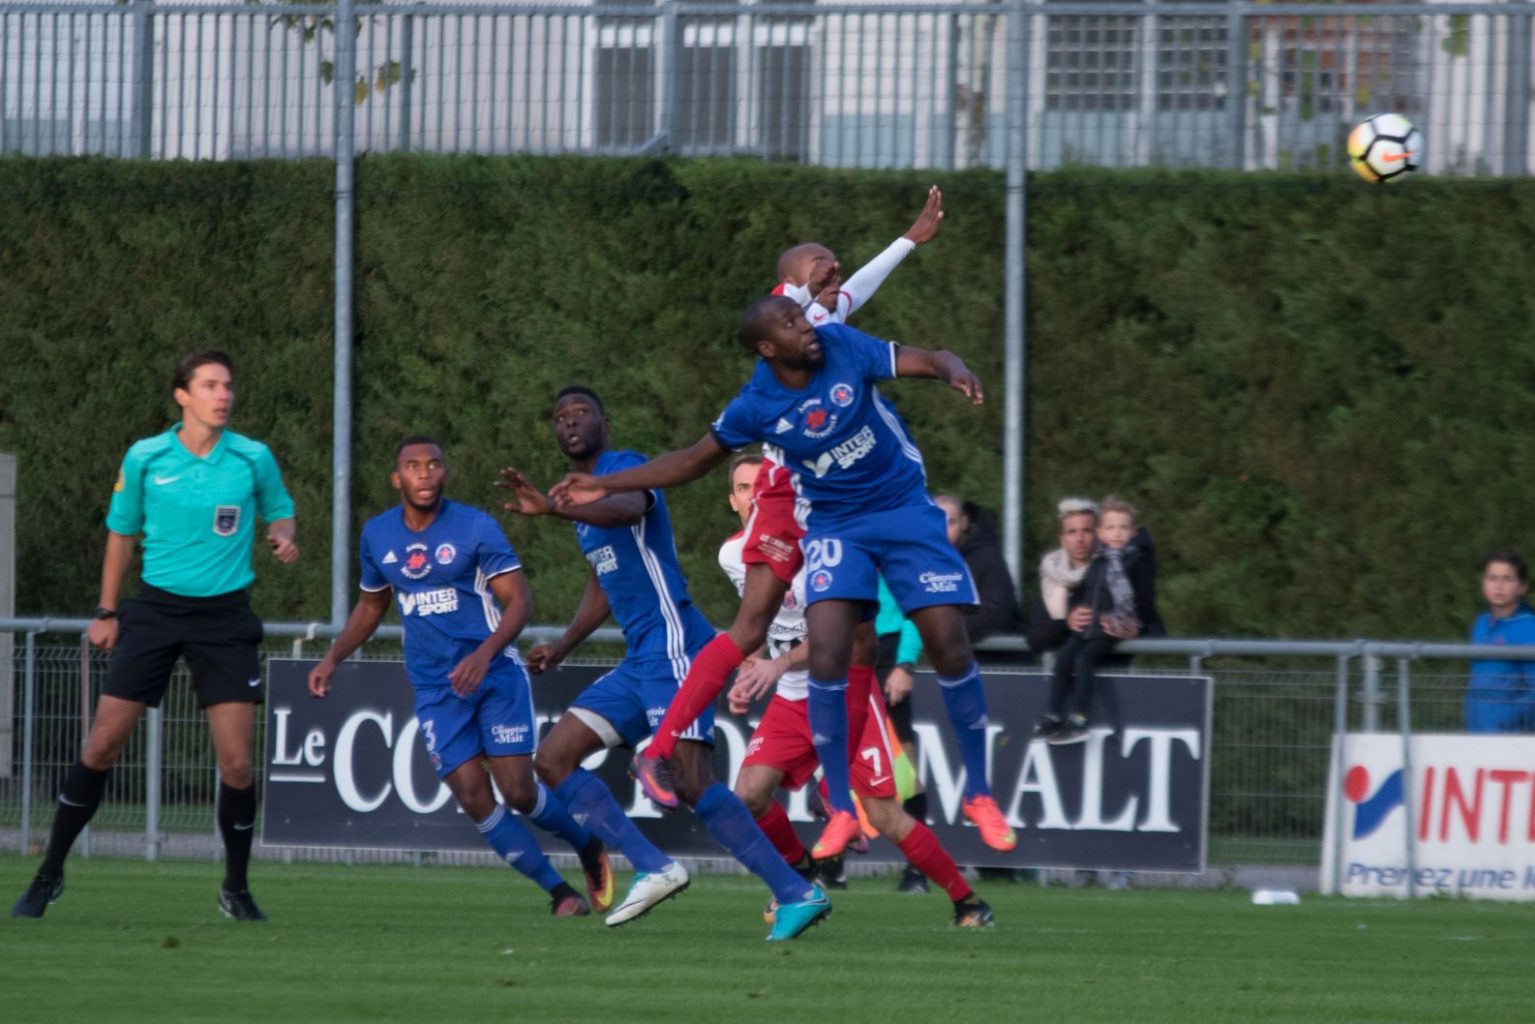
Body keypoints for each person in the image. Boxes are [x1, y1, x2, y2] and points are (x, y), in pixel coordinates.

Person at [550, 297, 1017, 867]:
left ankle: (976, 795)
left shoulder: (840, 341)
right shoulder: (756, 403)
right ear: (768, 347)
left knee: (944, 638)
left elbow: (920, 352)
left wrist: (952, 366)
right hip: (832, 520)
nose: (807, 324)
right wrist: (601, 487)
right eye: (793, 321)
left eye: (805, 312)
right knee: (817, 642)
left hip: (898, 506)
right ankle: (834, 805)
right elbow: (693, 459)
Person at [628, 189, 978, 863]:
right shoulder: (792, 318)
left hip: (832, 497)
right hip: (797, 493)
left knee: (855, 641)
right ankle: (666, 748)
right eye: (821, 263)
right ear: (789, 282)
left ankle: (833, 792)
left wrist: (909, 239)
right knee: (758, 627)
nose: (834, 268)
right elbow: (701, 454)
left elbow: (858, 296)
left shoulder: (816, 320)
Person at [497, 386, 829, 941]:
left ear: (605, 421)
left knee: (693, 778)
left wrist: (560, 505)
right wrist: (565, 645)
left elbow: (631, 505)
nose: (571, 422)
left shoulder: (623, 472)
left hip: (675, 642)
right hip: (641, 656)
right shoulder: (582, 498)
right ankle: (654, 866)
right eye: (560, 416)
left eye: (582, 413)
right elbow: (605, 580)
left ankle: (796, 890)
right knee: (553, 759)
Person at [12, 351, 299, 921]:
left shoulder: (252, 457)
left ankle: (236, 889)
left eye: (228, 386)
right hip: (156, 613)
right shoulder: (146, 456)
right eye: (210, 385)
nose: (224, 395)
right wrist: (106, 611)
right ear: (182, 396)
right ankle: (48, 876)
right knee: (99, 746)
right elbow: (120, 536)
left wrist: (283, 536)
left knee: (238, 765)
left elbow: (281, 511)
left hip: (225, 618)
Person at [306, 436, 611, 917]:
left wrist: (485, 654)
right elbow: (371, 604)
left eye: (433, 465)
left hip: (495, 678)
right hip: (435, 688)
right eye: (412, 466)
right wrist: (332, 658)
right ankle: (560, 892)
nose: (424, 474)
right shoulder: (378, 535)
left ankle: (587, 844)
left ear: (444, 472)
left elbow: (521, 601)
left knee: (518, 791)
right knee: (473, 796)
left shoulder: (475, 528)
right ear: (397, 478)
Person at [719, 455, 994, 927]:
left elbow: (836, 638)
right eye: (743, 488)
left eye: (761, 485)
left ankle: (966, 900)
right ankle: (800, 882)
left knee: (884, 814)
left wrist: (777, 663)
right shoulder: (732, 555)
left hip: (841, 691)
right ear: (733, 501)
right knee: (745, 796)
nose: (753, 496)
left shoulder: (815, 549)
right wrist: (748, 668)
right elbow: (761, 622)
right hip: (790, 697)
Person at [1035, 497, 1164, 745]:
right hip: (1088, 627)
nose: (1117, 533)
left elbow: (1144, 603)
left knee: (1084, 660)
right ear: (1101, 532)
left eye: (1123, 528)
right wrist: (1075, 615)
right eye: (1111, 528)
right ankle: (1053, 715)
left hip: (1111, 628)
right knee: (1063, 659)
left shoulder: (1136, 560)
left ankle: (1080, 719)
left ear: (1133, 531)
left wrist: (1133, 626)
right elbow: (1087, 592)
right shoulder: (1100, 560)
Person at [934, 494, 1024, 652]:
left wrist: (948, 630)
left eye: (951, 522)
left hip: (1000, 661)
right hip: (953, 661)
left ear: (964, 522)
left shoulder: (988, 558)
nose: (943, 530)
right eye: (936, 521)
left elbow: (996, 613)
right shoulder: (926, 563)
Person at [1465, 548, 1535, 733]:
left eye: (1507, 579)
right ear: (1483, 583)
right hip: (1477, 732)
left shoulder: (1529, 627)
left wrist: (1506, 719)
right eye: (1492, 578)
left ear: (1522, 587)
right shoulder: (1481, 623)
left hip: (1513, 739)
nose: (1499, 586)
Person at [1025, 497, 1101, 657]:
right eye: (1072, 532)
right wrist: (1066, 623)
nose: (1079, 539)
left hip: (1109, 673)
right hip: (1063, 674)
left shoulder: (1111, 571)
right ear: (1063, 540)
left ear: (1097, 534)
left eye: (1086, 530)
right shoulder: (1051, 575)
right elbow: (1035, 638)